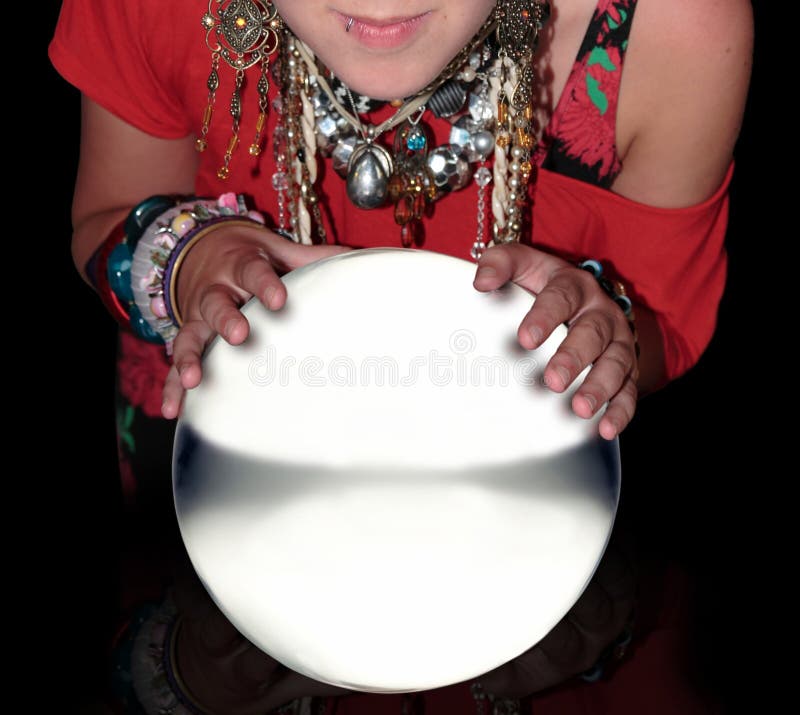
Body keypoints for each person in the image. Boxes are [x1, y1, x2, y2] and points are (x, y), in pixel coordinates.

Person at [49, 0, 752, 712]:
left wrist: (599, 335)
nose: (380, 2)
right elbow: (104, 215)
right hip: (213, 569)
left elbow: (664, 321)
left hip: (532, 581)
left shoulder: (673, 25)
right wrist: (187, 257)